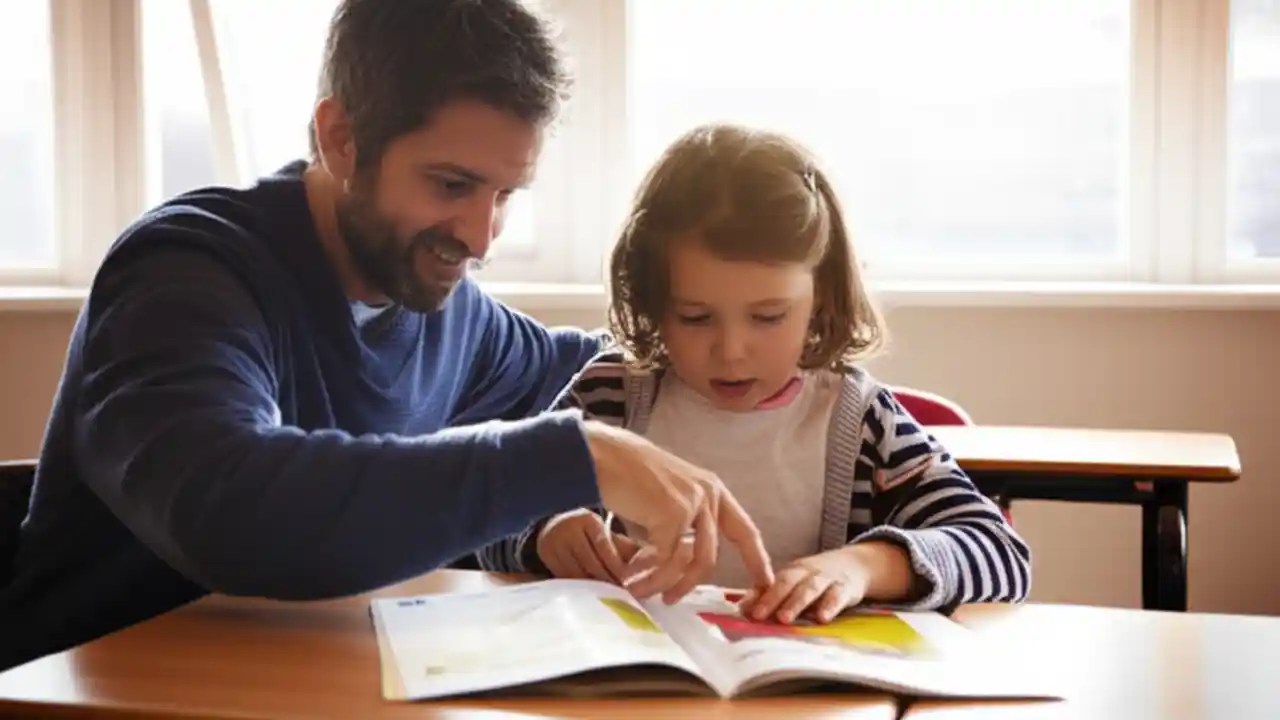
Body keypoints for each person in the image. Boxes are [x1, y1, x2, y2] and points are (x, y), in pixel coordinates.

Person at [0, 1, 771, 671]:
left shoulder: (447, 313)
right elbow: (228, 510)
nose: (481, 238)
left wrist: (796, 362)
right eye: (451, 185)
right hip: (81, 695)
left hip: (297, 689)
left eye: (506, 194)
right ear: (341, 138)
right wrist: (576, 456)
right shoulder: (184, 274)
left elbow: (625, 375)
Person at [481, 124, 1031, 623]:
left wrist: (862, 566)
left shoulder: (860, 424)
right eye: (694, 317)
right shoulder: (610, 396)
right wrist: (545, 534)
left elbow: (999, 552)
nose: (732, 352)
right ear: (651, 300)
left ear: (820, 298)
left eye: (769, 317)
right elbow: (488, 520)